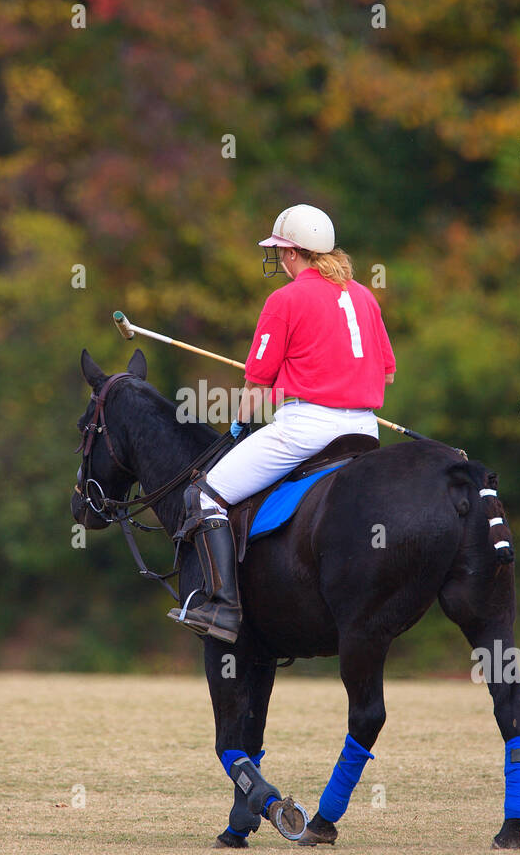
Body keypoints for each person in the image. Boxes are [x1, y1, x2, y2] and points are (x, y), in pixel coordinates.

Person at [168, 204, 396, 643]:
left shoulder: (286, 299)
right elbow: (386, 371)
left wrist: (237, 428)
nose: (279, 259)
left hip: (305, 429)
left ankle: (223, 609)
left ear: (293, 253)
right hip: (364, 431)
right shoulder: (365, 296)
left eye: (280, 251)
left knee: (203, 497)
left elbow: (255, 384)